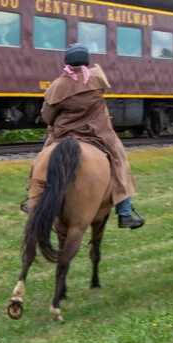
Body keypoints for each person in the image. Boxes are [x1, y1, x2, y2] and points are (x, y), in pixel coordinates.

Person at [26, 43, 144, 228]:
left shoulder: (58, 85)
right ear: (86, 61)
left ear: (67, 61)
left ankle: (32, 198)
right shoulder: (97, 80)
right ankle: (125, 212)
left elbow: (47, 116)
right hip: (98, 133)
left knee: (41, 158)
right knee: (119, 161)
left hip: (64, 134)